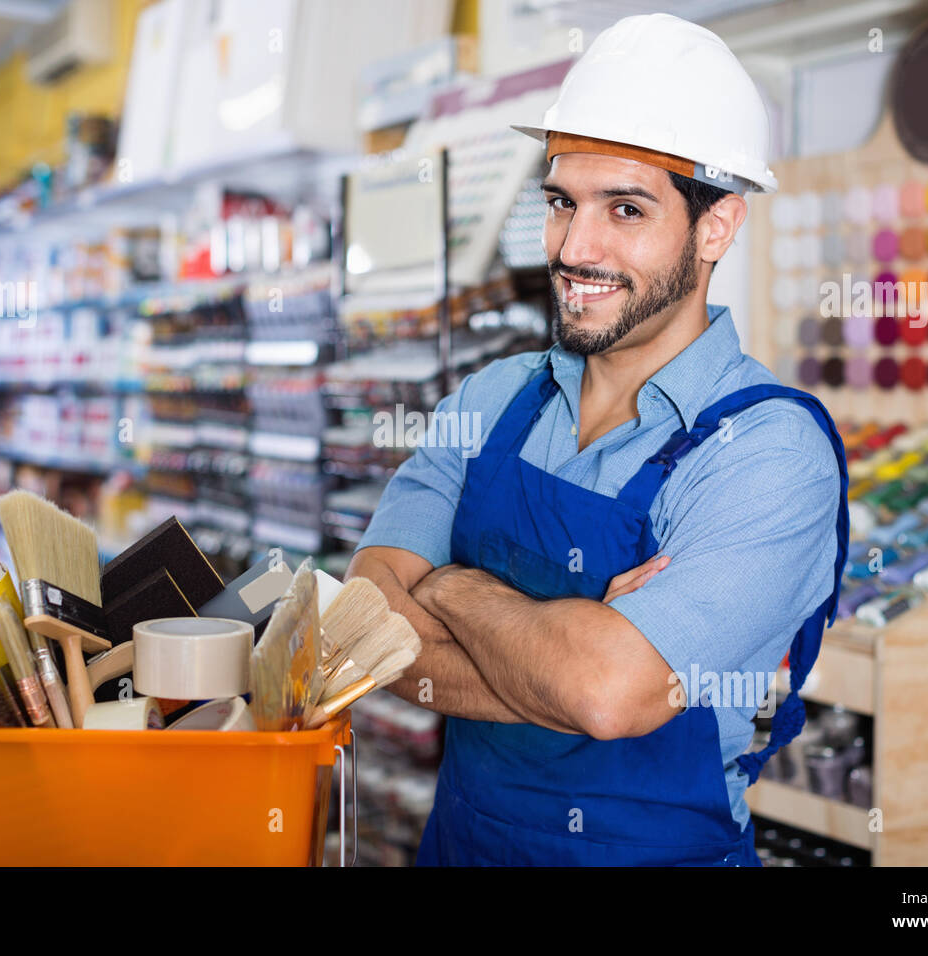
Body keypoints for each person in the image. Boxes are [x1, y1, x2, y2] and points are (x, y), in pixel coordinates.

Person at [347, 13, 848, 866]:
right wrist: (562, 656)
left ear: (716, 227)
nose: (576, 248)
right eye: (561, 203)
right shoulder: (490, 398)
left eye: (625, 209)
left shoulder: (769, 451)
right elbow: (359, 630)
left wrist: (452, 590)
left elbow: (609, 696)